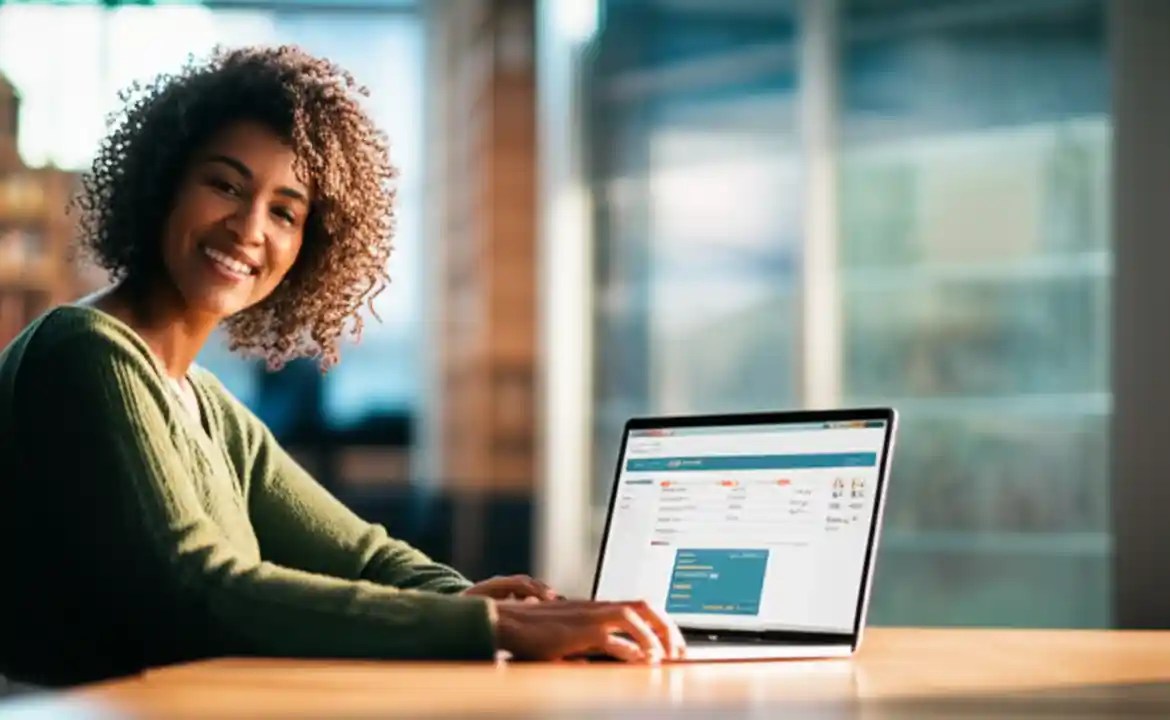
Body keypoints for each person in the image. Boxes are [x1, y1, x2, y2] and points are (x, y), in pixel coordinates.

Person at [0, 45, 683, 687]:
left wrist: (470, 598)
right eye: (223, 185)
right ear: (162, 184)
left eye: (286, 213)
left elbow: (364, 556)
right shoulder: (84, 351)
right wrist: (494, 624)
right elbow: (195, 590)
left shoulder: (200, 402)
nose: (250, 229)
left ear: (309, 248)